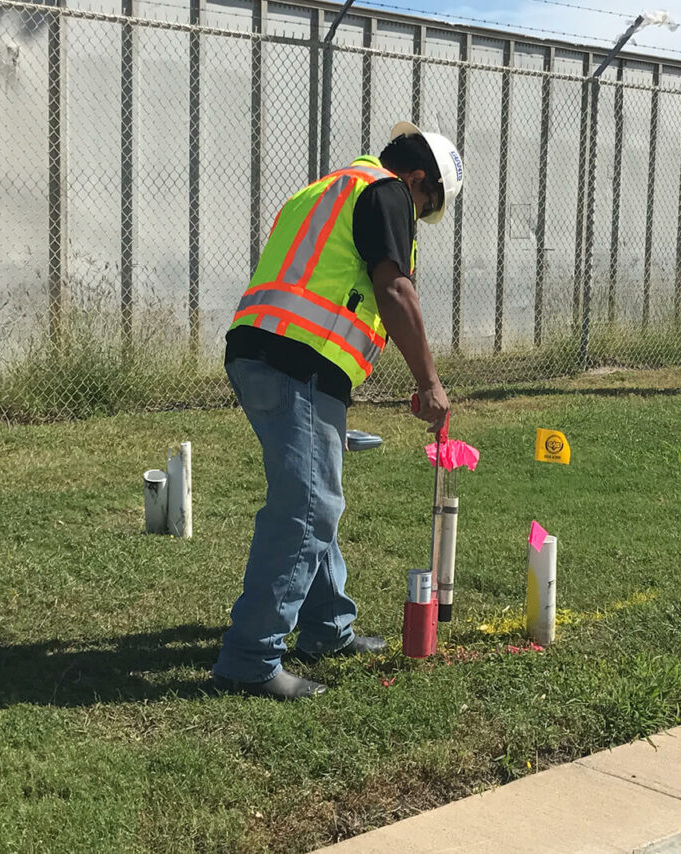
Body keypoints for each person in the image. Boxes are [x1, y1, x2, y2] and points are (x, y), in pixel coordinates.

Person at [210, 123, 465, 700]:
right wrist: (429, 381)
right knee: (307, 505)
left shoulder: (326, 189)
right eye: (428, 208)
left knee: (314, 491)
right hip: (296, 358)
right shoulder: (387, 192)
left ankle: (326, 627)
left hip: (263, 348)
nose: (420, 217)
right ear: (419, 180)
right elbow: (394, 290)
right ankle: (250, 659)